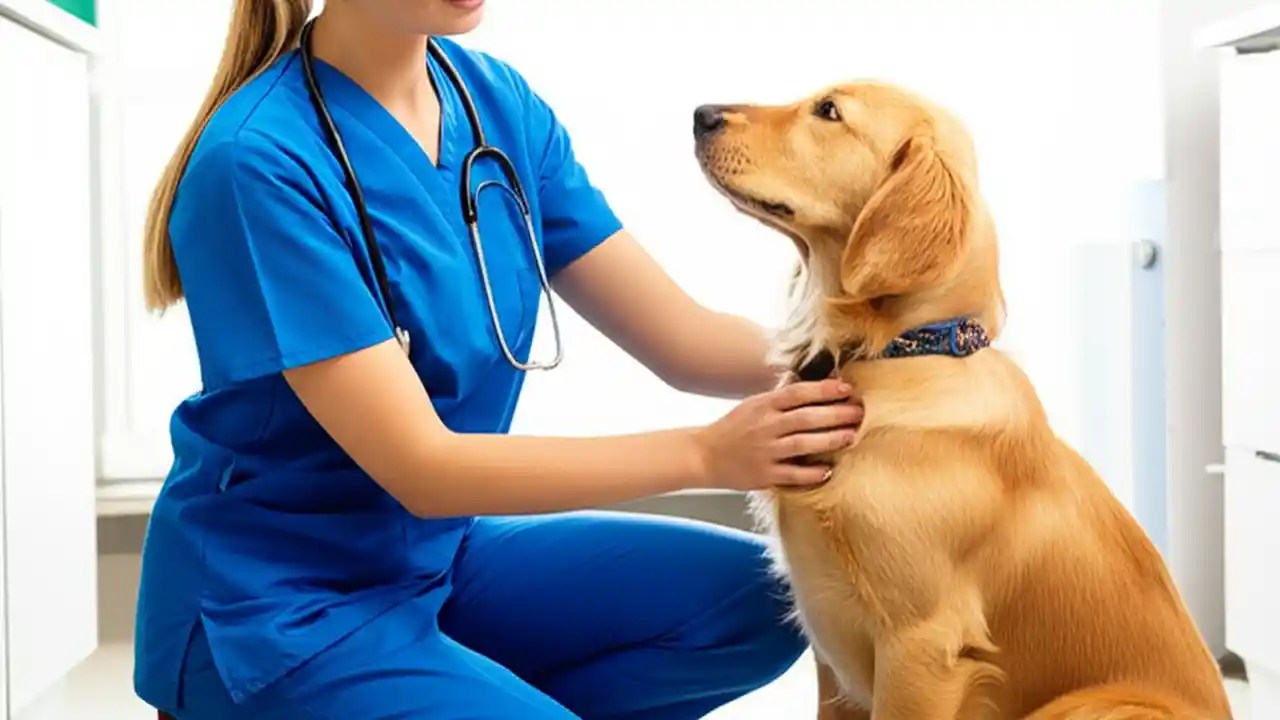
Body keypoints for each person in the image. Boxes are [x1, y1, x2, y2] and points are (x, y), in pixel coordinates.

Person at [132, 0, 863, 717]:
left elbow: (686, 343)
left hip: (433, 559)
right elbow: (423, 468)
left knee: (760, 606)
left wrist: (889, 358)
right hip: (276, 611)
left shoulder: (496, 105)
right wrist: (708, 456)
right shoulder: (257, 160)